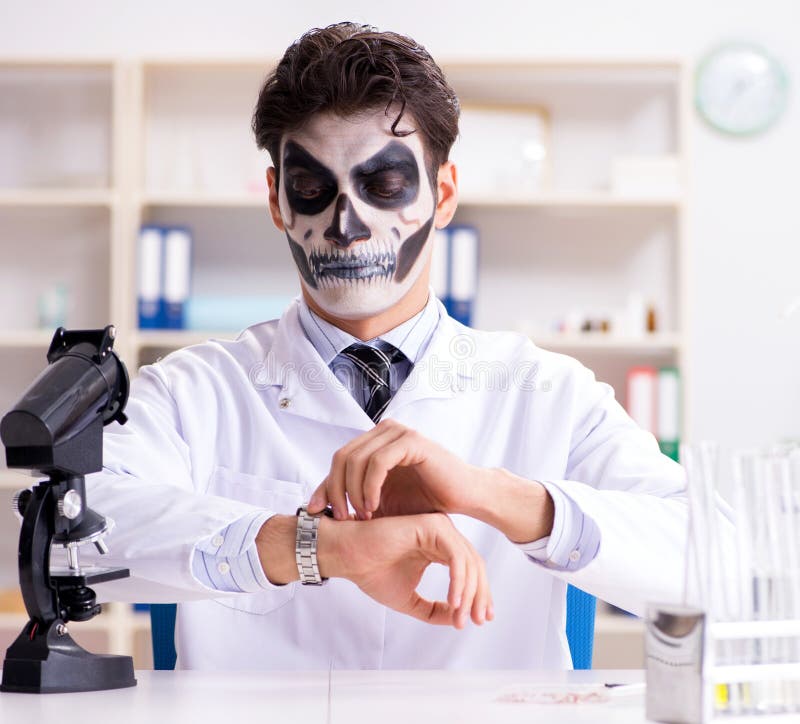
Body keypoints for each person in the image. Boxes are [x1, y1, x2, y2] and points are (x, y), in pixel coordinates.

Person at [87, 22, 723, 670]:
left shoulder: (551, 394)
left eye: (384, 185)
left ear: (442, 195)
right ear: (277, 199)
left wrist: (493, 495)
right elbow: (65, 534)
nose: (346, 226)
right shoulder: (193, 390)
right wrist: (312, 547)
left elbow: (716, 566)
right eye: (313, 188)